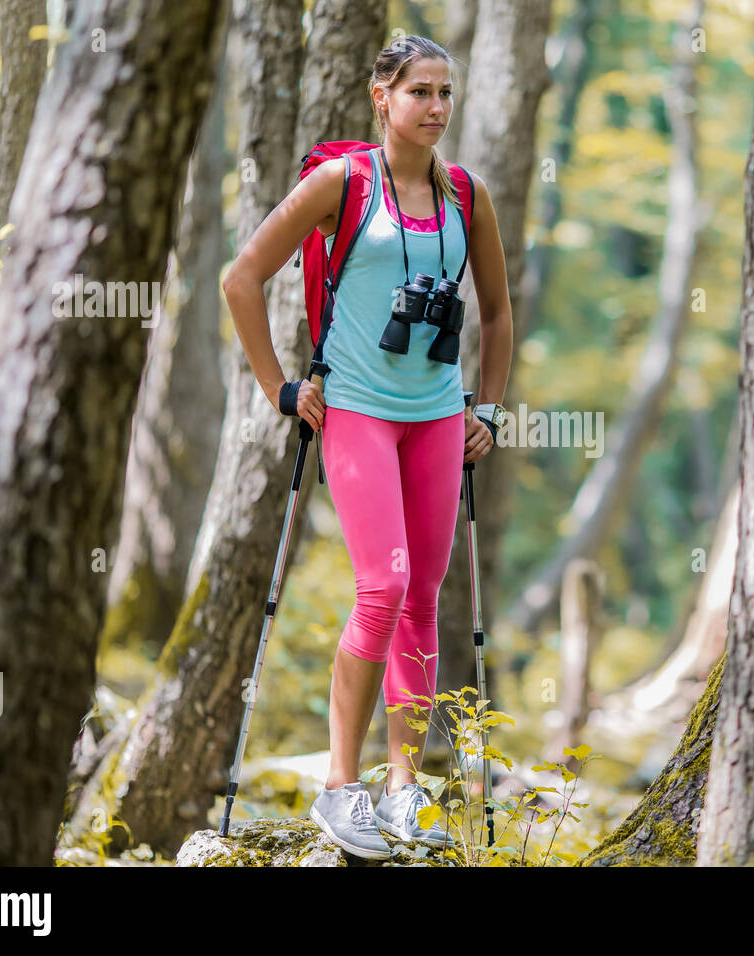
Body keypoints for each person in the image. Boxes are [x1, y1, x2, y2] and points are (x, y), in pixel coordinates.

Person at [221, 35, 513, 860]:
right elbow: (241, 278)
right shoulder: (342, 184)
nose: (437, 107)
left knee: (422, 597)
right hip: (354, 409)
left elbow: (494, 311)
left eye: (447, 92)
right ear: (380, 95)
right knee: (382, 588)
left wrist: (487, 405)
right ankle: (339, 790)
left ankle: (402, 789)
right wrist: (280, 386)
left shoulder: (466, 195)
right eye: (420, 90)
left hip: (436, 418)